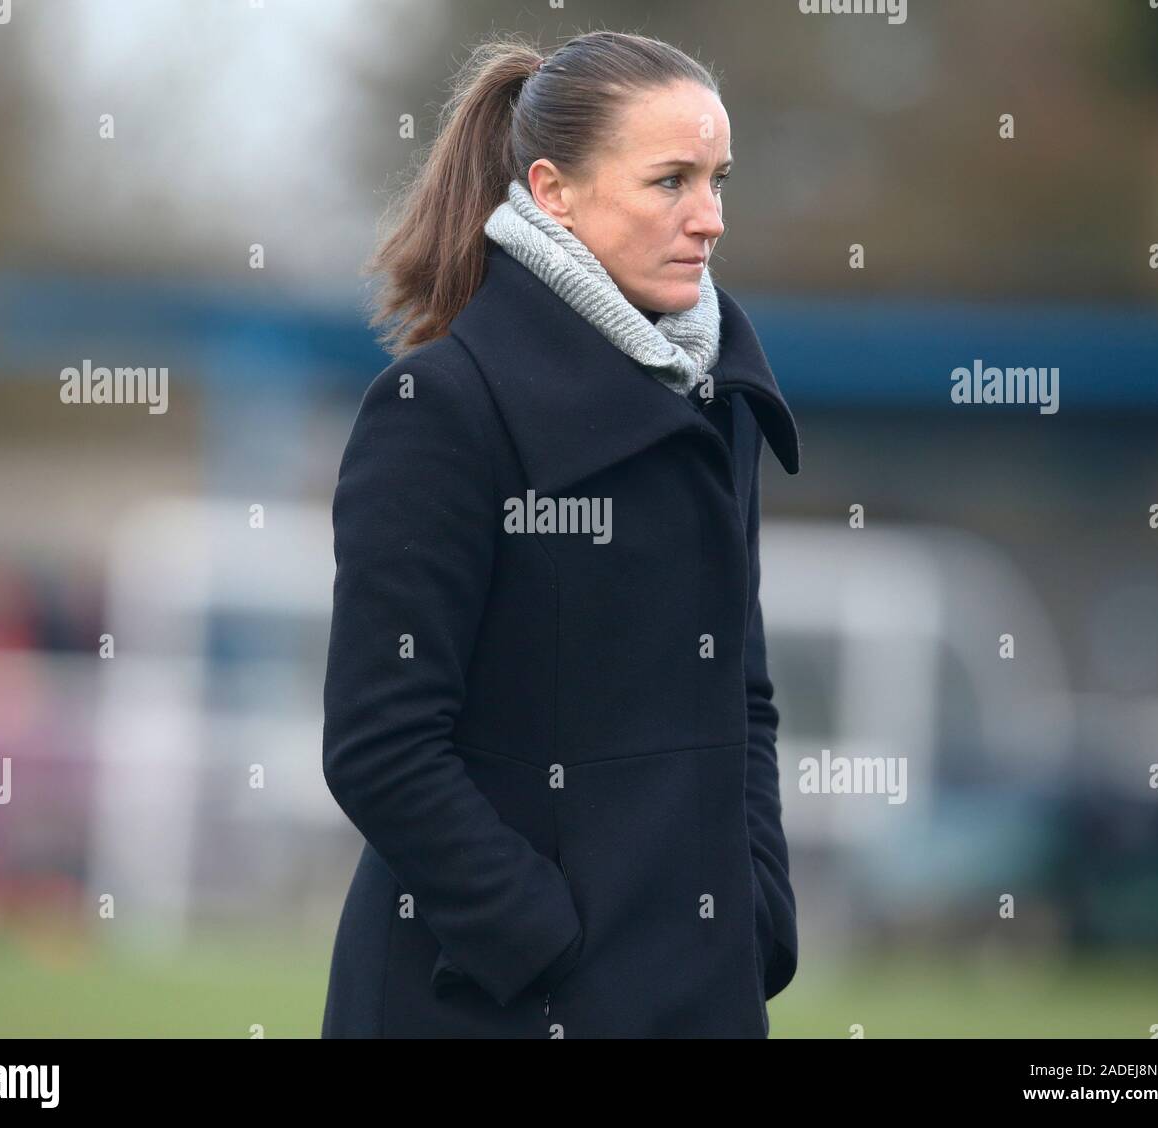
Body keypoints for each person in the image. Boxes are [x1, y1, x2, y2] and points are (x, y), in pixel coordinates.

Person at [321, 29, 801, 1038]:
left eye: (718, 181)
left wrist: (755, 912)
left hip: (694, 992)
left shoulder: (723, 402)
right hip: (483, 1001)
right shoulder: (439, 409)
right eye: (668, 181)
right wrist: (544, 942)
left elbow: (741, 698)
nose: (708, 219)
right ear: (552, 190)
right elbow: (382, 744)